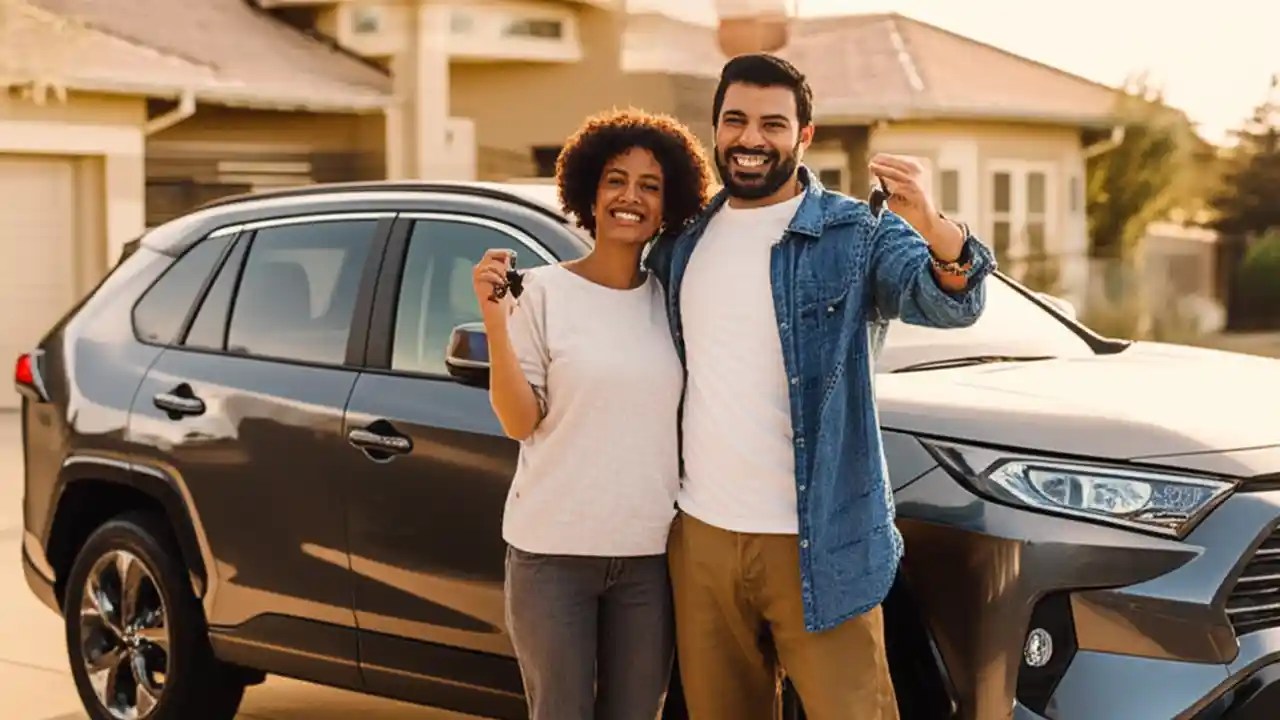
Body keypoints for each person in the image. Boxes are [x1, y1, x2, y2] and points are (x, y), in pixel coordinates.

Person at [644, 53, 997, 720]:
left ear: (804, 136)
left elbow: (952, 303)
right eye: (735, 120)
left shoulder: (854, 232)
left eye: (772, 124)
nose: (751, 139)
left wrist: (934, 224)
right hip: (703, 540)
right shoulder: (683, 240)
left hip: (822, 542)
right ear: (715, 128)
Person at [470, 108, 712, 720]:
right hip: (553, 557)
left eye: (650, 186)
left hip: (649, 557)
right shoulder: (543, 293)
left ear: (669, 204)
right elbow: (519, 421)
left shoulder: (675, 303)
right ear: (589, 192)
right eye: (615, 180)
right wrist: (496, 324)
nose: (630, 197)